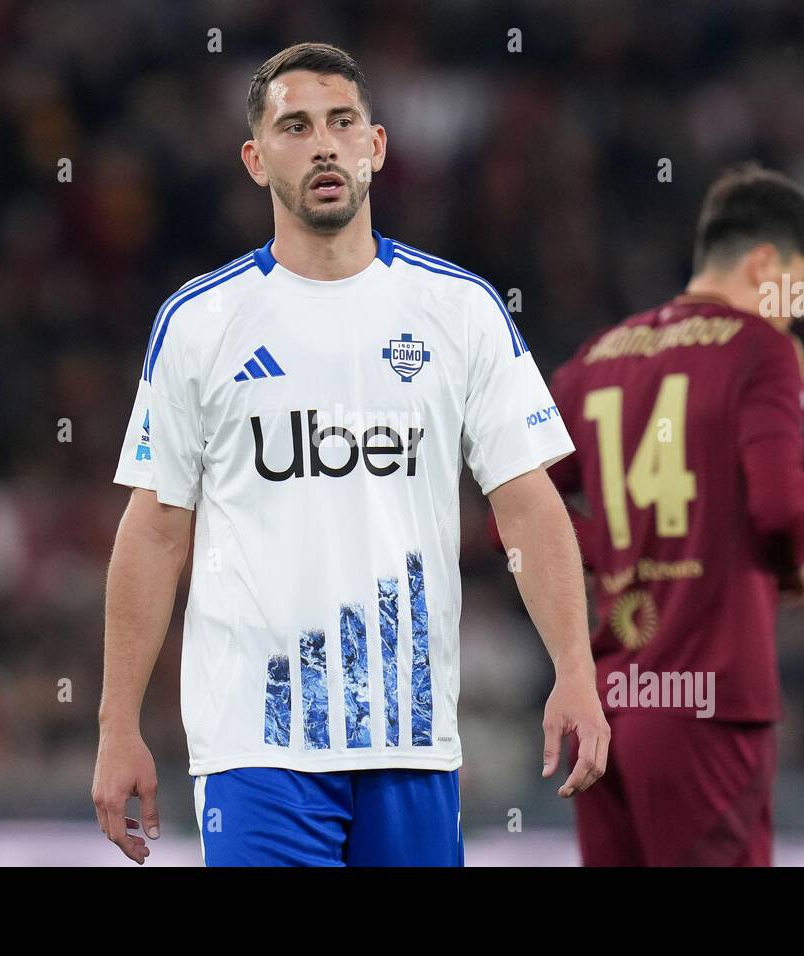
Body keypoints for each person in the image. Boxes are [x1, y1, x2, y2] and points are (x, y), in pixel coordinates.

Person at [93, 42, 609, 867]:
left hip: (412, 740)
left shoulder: (461, 311)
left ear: (376, 146)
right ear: (256, 161)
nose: (324, 145)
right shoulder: (199, 324)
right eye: (295, 127)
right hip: (255, 744)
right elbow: (154, 532)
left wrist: (575, 668)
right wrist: (117, 724)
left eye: (341, 123)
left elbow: (528, 506)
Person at [540, 164, 804, 865]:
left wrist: (608, 553)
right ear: (764, 263)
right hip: (709, 705)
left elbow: (513, 507)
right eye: (799, 286)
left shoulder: (593, 360)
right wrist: (795, 567)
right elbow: (779, 507)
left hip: (605, 710)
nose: (795, 310)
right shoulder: (762, 349)